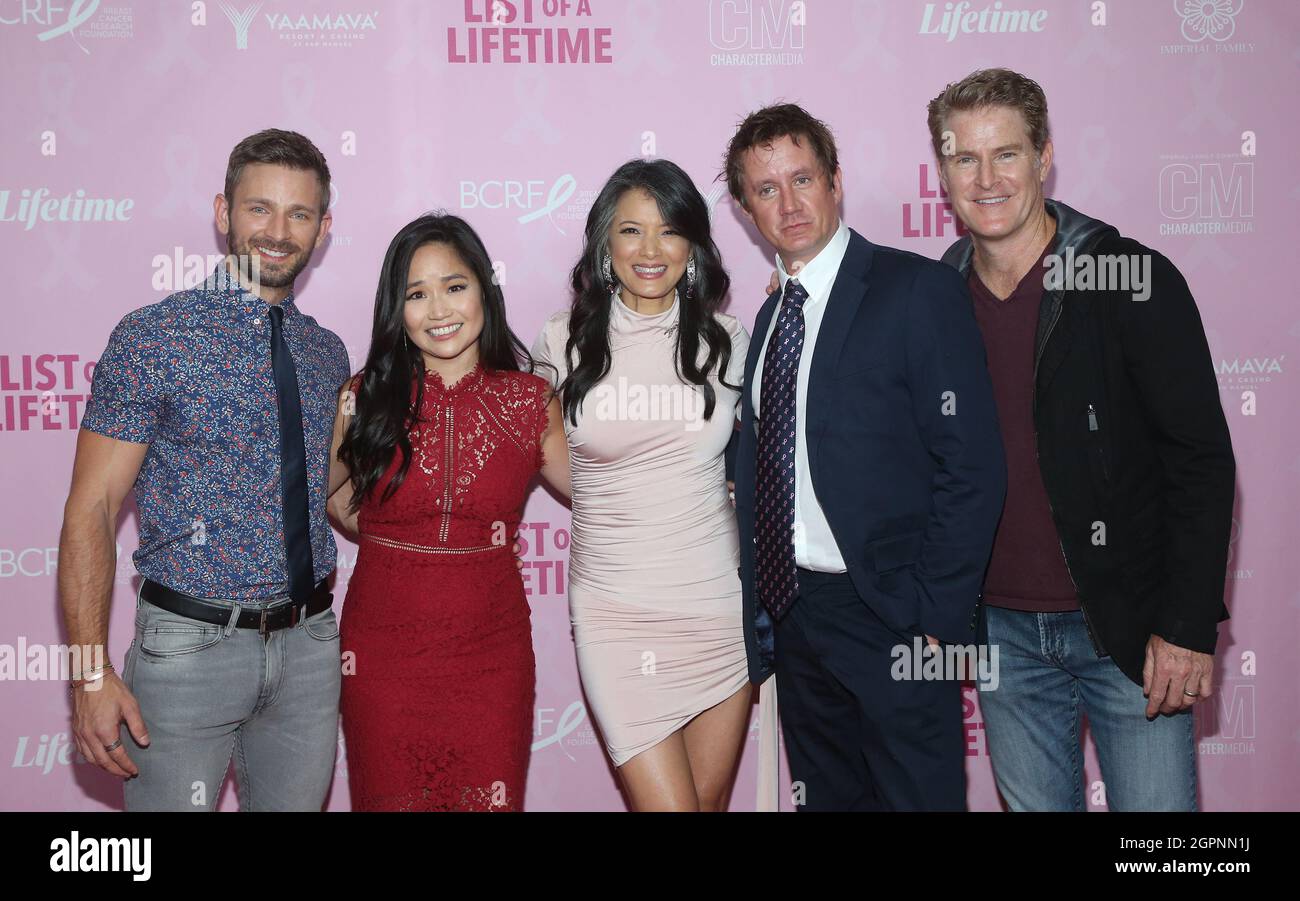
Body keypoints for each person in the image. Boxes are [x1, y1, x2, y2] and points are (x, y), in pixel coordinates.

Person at [930, 68, 1236, 811]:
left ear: (1044, 156)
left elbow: (1201, 460)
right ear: (942, 172)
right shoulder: (935, 297)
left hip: (1130, 632)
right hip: (1001, 635)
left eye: (1006, 153)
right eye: (964, 158)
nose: (986, 177)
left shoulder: (1128, 278)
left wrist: (1188, 624)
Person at [725, 103, 1006, 811]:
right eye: (766, 189)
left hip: (894, 617)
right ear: (744, 208)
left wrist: (938, 620)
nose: (788, 204)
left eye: (803, 178)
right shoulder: (768, 318)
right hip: (796, 619)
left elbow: (972, 466)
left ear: (836, 181)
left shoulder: (916, 290)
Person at [59, 129, 350, 810]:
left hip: (309, 651)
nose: (278, 232)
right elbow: (92, 508)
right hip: (187, 652)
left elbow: (334, 493)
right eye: (259, 209)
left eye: (300, 214)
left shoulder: (326, 353)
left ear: (324, 228)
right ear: (223, 213)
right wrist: (89, 670)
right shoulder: (152, 337)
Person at [531, 158, 760, 812]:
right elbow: (547, 451)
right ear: (606, 244)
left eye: (670, 230)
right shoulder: (562, 340)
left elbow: (771, 452)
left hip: (717, 605)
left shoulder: (729, 340)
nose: (651, 250)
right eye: (631, 231)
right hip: (615, 612)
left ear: (693, 245)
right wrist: (617, 495)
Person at [328, 213, 569, 811]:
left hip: (490, 657)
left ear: (485, 288)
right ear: (395, 309)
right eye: (416, 294)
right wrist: (398, 540)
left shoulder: (531, 400)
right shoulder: (363, 397)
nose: (438, 310)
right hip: (381, 660)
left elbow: (600, 493)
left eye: (454, 286)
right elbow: (329, 494)